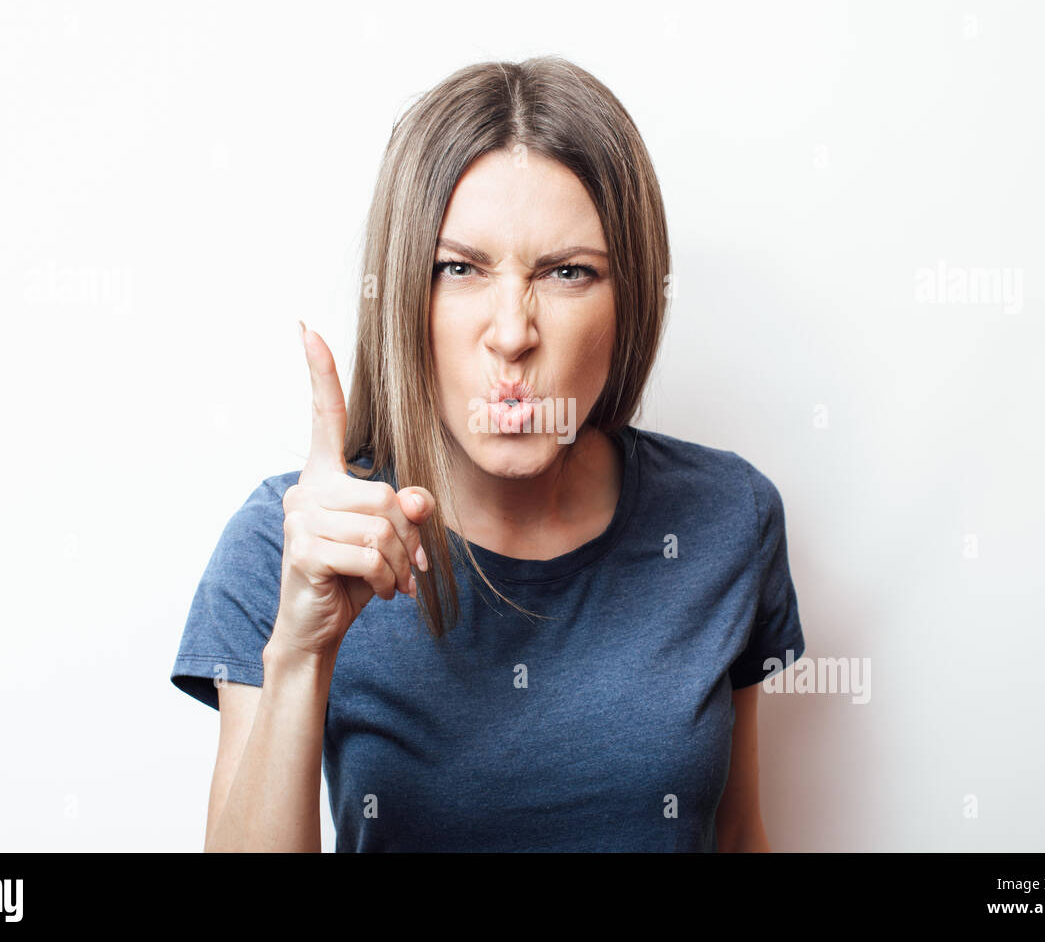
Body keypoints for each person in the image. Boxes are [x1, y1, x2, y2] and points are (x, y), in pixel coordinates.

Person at [170, 55, 805, 852]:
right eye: (459, 269)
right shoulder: (288, 544)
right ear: (406, 292)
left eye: (570, 272)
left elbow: (740, 833)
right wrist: (300, 652)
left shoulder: (727, 518)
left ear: (629, 298)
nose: (512, 332)